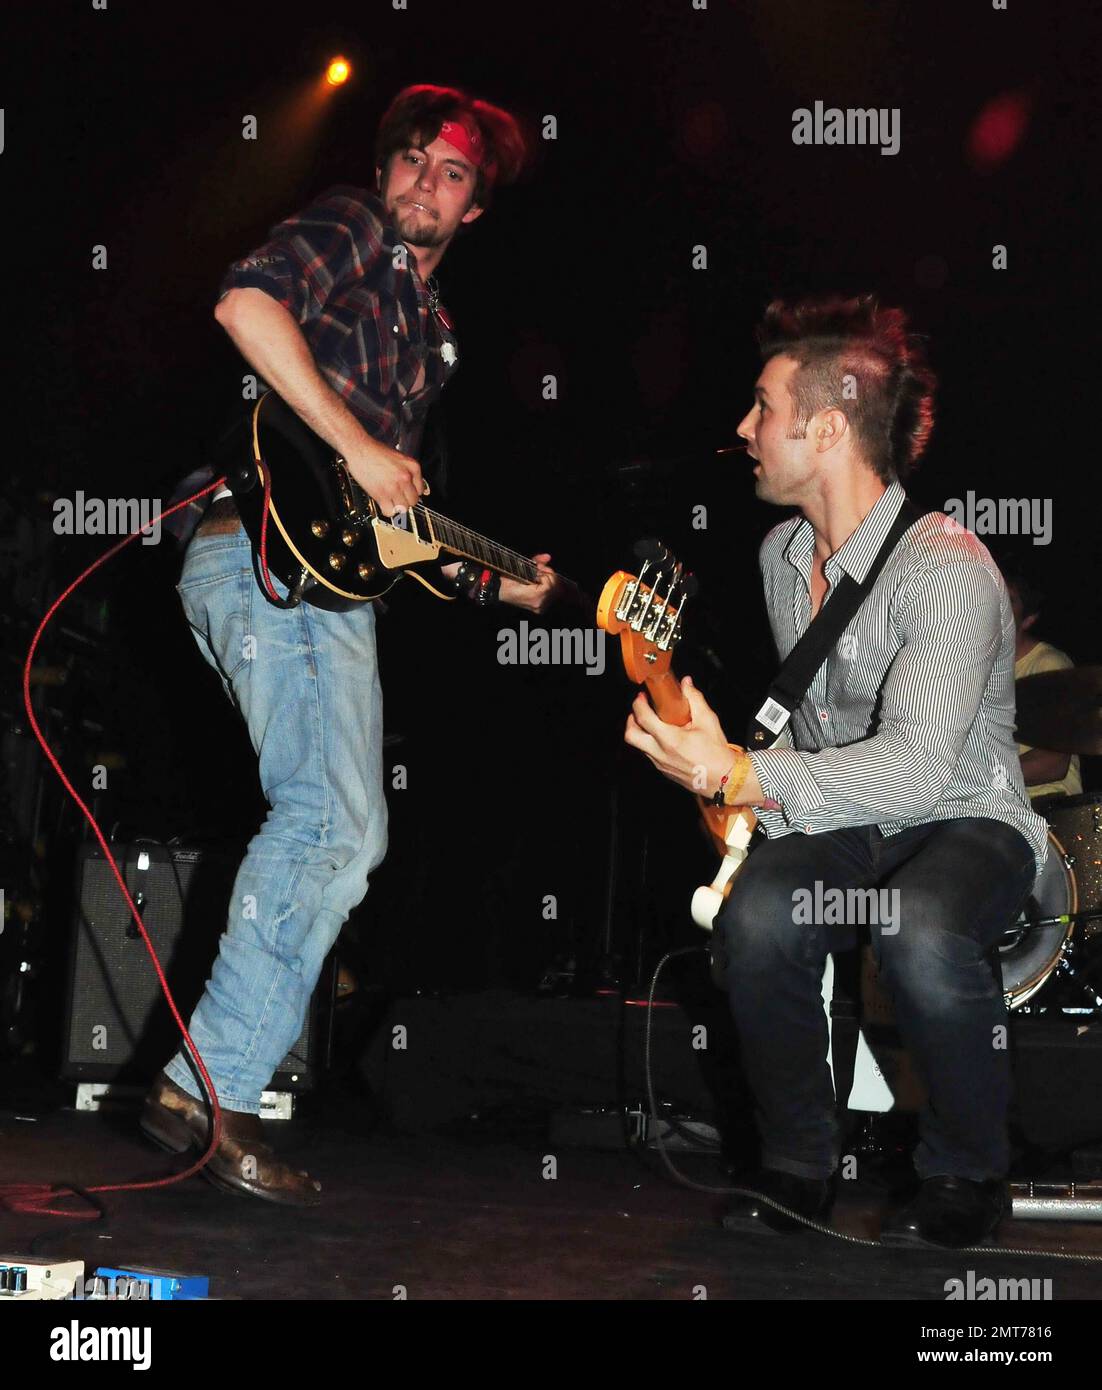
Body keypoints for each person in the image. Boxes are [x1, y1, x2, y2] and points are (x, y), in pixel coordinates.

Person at [143, 85, 560, 1206]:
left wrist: (498, 581)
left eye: (451, 174)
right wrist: (357, 442)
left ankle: (208, 1079)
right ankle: (206, 1087)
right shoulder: (350, 228)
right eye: (413, 160)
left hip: (328, 577)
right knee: (329, 821)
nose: (422, 183)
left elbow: (379, 514)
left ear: (476, 208)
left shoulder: (433, 336)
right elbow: (245, 307)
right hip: (259, 550)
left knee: (351, 835)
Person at [624, 294, 1049, 1247]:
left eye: (762, 407)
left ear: (824, 426)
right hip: (849, 823)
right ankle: (797, 1169)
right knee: (760, 914)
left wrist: (743, 776)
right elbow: (811, 746)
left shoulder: (948, 567)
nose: (744, 428)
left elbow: (913, 768)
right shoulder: (782, 555)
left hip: (963, 817)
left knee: (923, 927)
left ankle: (968, 1175)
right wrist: (710, 743)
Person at [1002, 568, 1082, 801]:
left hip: (1047, 802)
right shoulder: (975, 668)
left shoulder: (1049, 664)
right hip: (997, 806)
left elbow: (1053, 763)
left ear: (1028, 619)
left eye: (1008, 600)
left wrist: (978, 779)